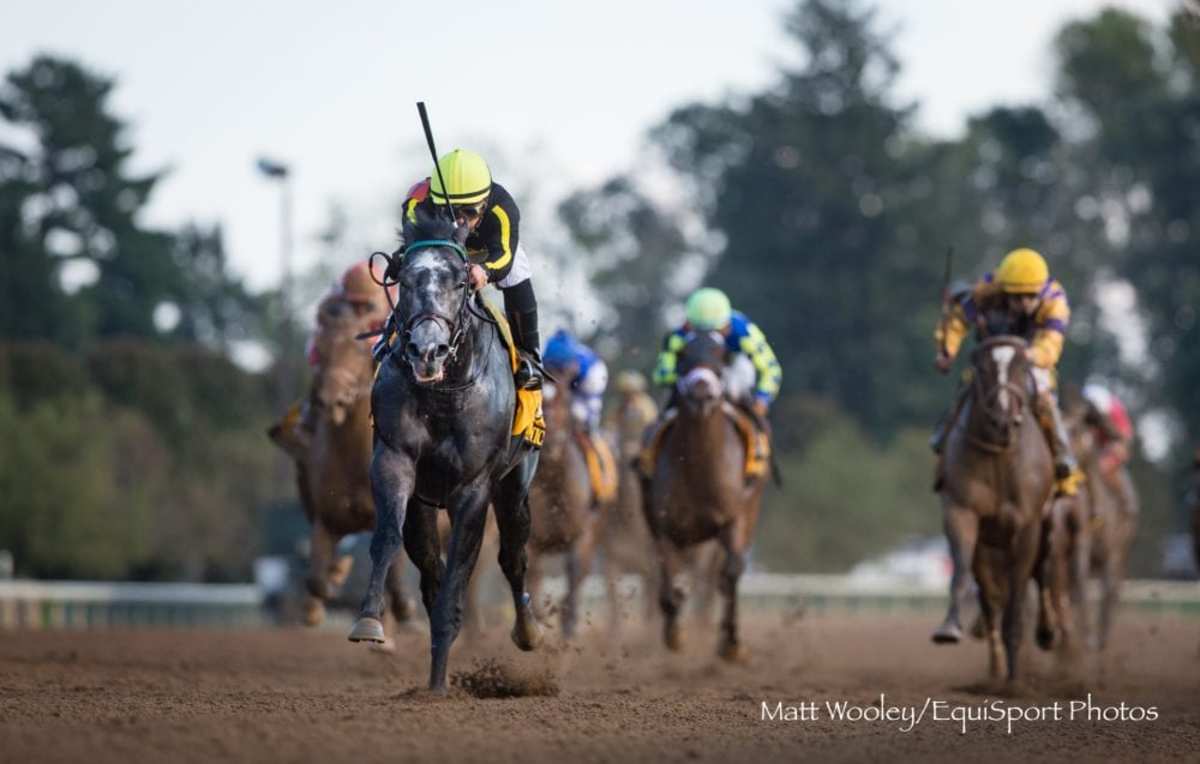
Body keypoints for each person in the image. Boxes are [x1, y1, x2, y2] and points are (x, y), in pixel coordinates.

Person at [378, 148, 542, 389]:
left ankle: (530, 355)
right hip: (443, 246)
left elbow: (504, 255)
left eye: (469, 212)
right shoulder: (417, 201)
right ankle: (392, 334)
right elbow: (412, 244)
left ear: (485, 204)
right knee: (416, 274)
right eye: (451, 212)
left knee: (517, 271)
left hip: (487, 250)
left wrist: (485, 270)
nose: (461, 220)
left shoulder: (503, 208)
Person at [931, 247, 1082, 495]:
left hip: (1032, 360)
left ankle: (1063, 457)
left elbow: (1051, 346)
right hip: (993, 354)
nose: (1023, 303)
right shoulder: (989, 287)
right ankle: (945, 439)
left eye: (1029, 297)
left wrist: (1028, 355)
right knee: (969, 385)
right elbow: (958, 320)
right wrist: (947, 351)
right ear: (1004, 289)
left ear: (1041, 292)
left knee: (1044, 398)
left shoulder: (1056, 302)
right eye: (1016, 296)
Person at [269, 261, 390, 460]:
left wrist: (370, 341)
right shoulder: (332, 301)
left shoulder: (392, 298)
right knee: (323, 371)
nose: (359, 309)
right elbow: (315, 346)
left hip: (376, 358)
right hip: (339, 360)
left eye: (364, 304)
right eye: (354, 303)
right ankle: (307, 420)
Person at [651, 287, 781, 417]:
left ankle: (759, 433)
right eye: (700, 333)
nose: (709, 339)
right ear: (689, 324)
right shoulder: (678, 336)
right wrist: (681, 376)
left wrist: (762, 399)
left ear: (727, 325)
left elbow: (771, 369)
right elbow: (661, 376)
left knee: (751, 410)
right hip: (693, 374)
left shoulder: (744, 331)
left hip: (734, 370)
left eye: (715, 332)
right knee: (665, 413)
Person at [1081, 383, 1138, 516]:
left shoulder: (1116, 410)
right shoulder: (1087, 409)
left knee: (1101, 467)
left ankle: (1123, 500)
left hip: (1112, 448)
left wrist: (1115, 447)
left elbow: (1125, 437)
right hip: (1095, 447)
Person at [542, 328, 608, 433]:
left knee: (580, 416)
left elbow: (565, 385)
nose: (556, 374)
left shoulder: (588, 369)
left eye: (560, 370)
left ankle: (592, 437)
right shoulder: (554, 355)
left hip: (590, 381)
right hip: (575, 377)